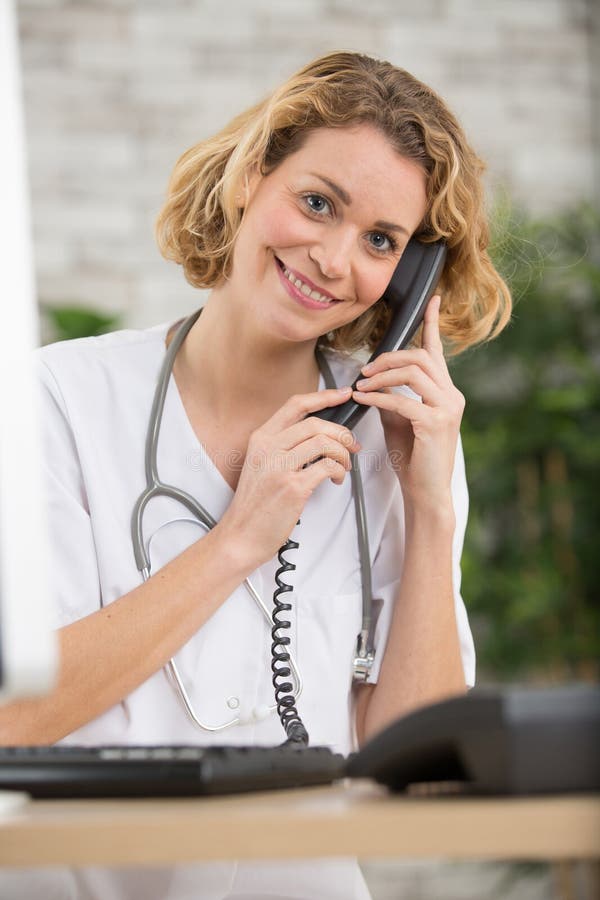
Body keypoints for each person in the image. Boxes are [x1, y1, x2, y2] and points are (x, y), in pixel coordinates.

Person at [1, 50, 511, 900]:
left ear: (406, 279)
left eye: (381, 240)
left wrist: (429, 512)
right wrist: (239, 539)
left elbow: (426, 777)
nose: (334, 259)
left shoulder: (401, 451)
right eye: (317, 203)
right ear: (250, 178)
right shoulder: (55, 401)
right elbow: (15, 717)